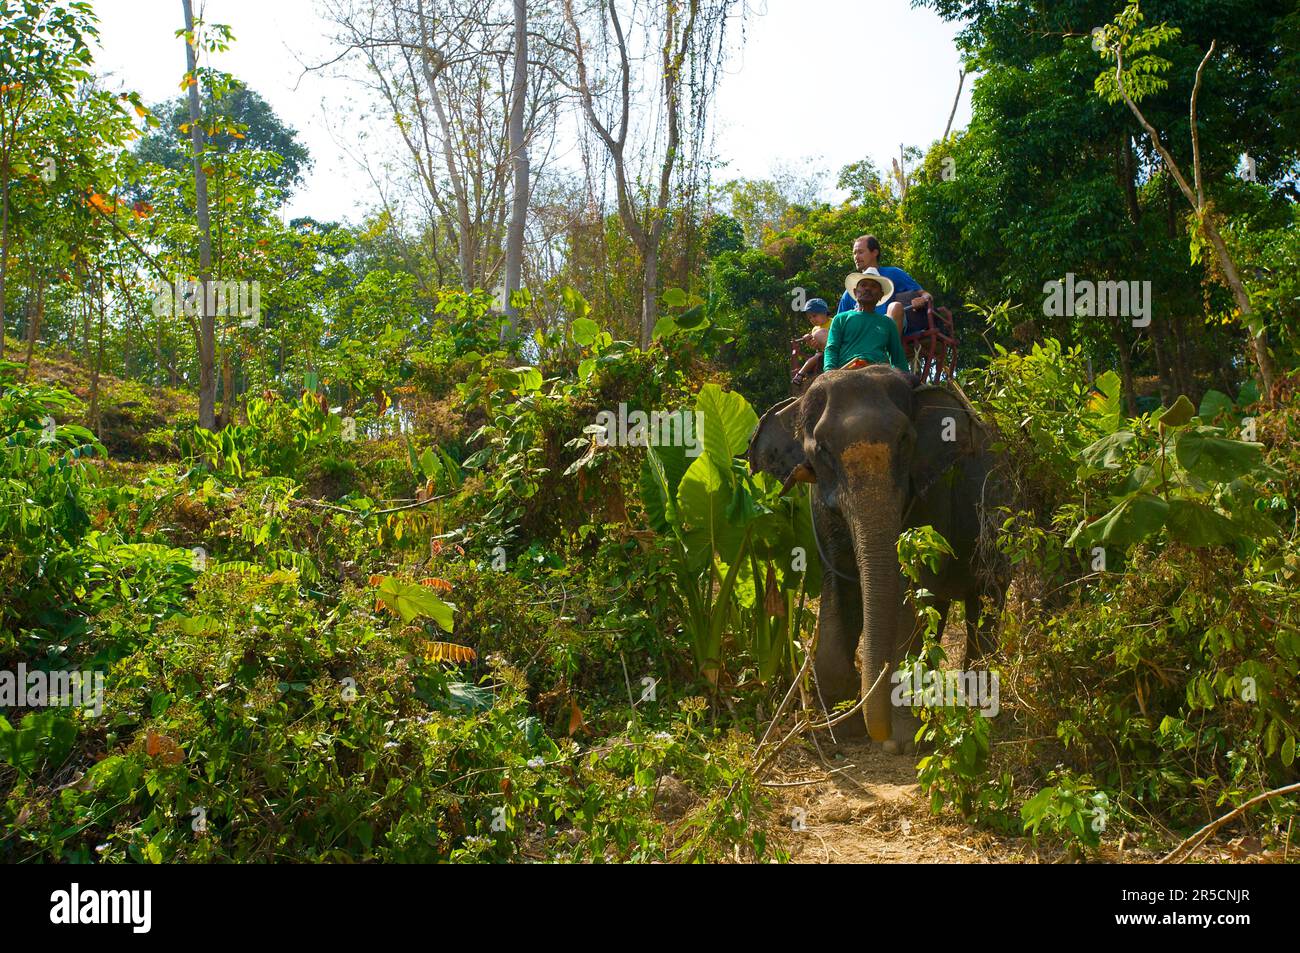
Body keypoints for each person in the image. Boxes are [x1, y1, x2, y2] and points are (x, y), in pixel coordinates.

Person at [835, 234, 932, 338]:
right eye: (854, 253)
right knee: (820, 333)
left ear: (874, 253)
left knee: (895, 307)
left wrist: (922, 299)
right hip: (862, 334)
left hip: (887, 326)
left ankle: (889, 348)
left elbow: (926, 295)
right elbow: (838, 324)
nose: (856, 257)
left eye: (861, 252)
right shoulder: (850, 291)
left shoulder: (893, 273)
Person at [824, 269, 908, 372]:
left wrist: (905, 376)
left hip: (879, 373)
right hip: (847, 371)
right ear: (855, 292)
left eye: (873, 286)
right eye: (863, 285)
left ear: (880, 295)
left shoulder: (888, 323)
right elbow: (832, 348)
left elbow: (897, 356)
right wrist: (829, 371)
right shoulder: (840, 319)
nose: (868, 288)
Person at [792, 298, 832, 386]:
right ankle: (800, 375)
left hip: (832, 349)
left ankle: (801, 374)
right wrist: (809, 339)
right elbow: (815, 346)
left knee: (817, 356)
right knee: (815, 357)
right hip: (820, 351)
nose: (812, 319)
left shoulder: (833, 322)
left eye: (814, 316)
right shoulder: (815, 329)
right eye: (810, 318)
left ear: (824, 312)